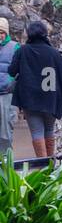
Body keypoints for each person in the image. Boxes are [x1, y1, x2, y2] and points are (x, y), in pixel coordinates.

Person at [7, 20, 62, 160]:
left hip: (31, 100)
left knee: (37, 131)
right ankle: (50, 165)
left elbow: (12, 71)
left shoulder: (22, 51)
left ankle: (42, 165)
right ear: (45, 34)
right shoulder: (55, 54)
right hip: (52, 99)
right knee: (49, 130)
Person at [0, 16, 18, 158]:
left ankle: (6, 162)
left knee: (6, 129)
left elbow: (19, 70)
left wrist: (12, 84)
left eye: (1, 32)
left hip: (7, 93)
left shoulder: (14, 47)